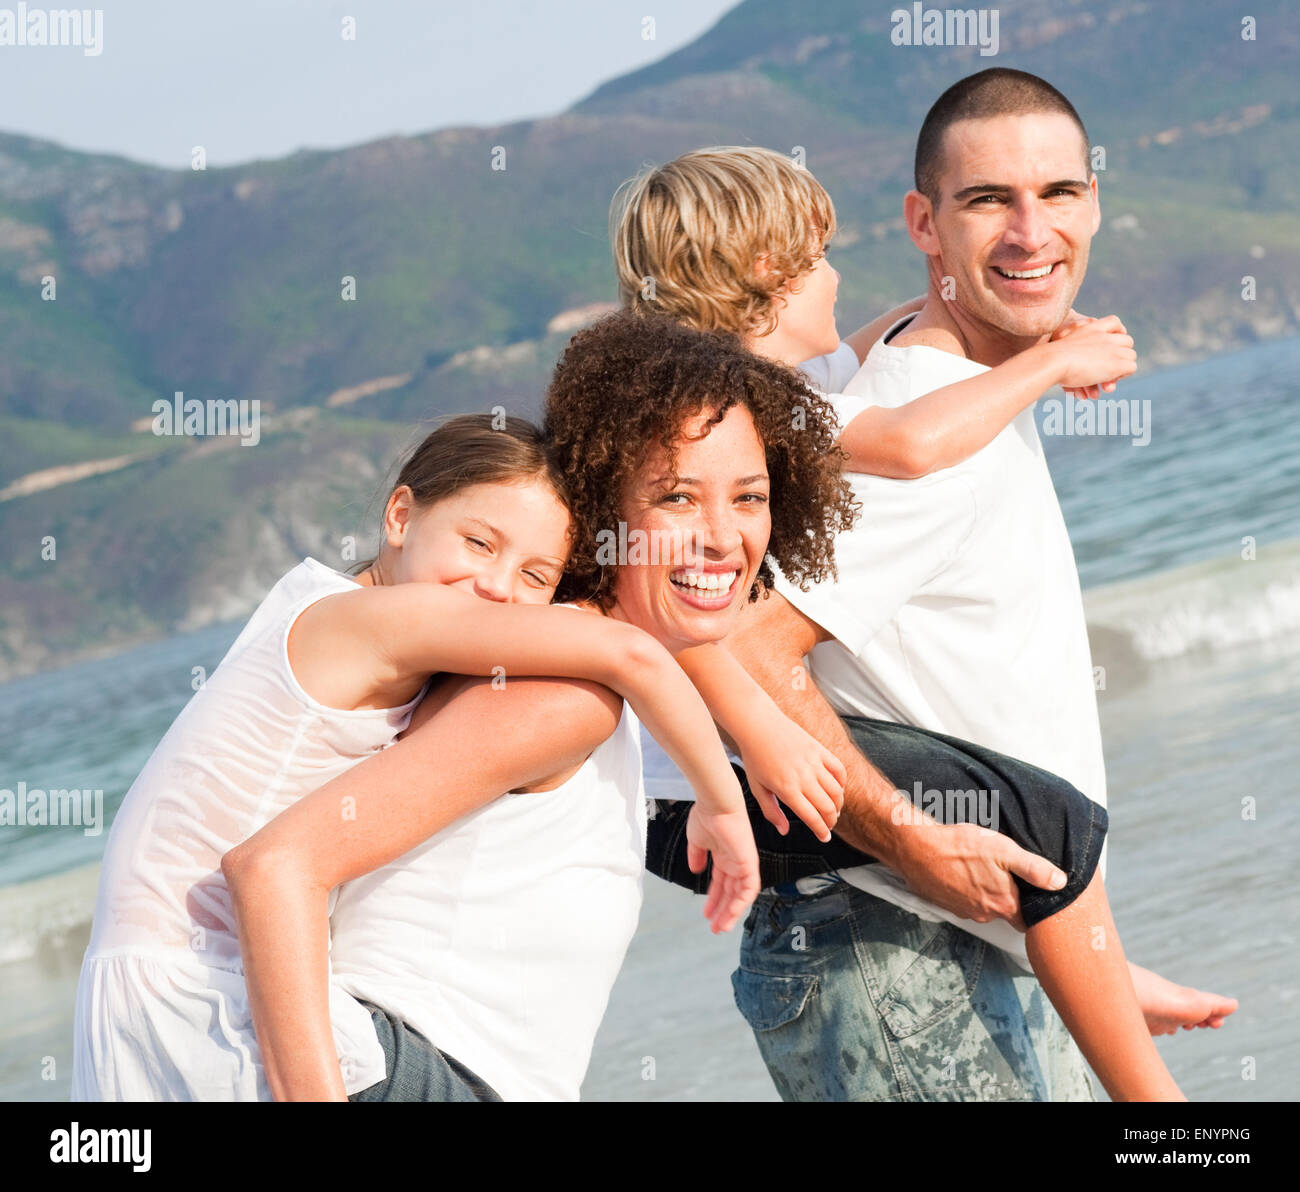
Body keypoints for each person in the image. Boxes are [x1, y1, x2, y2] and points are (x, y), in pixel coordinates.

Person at [612, 76, 1234, 1102]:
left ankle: (1108, 980)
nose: (1032, 230)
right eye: (989, 200)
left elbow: (877, 352)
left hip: (922, 929)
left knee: (1045, 832)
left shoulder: (809, 383)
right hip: (878, 936)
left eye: (1058, 194)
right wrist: (897, 826)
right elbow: (897, 458)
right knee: (1050, 828)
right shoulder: (780, 410)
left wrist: (1029, 326)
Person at [72, 409, 828, 1101]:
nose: (497, 588)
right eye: (478, 542)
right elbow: (629, 651)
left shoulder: (327, 614)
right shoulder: (378, 622)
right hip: (202, 1001)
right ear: (401, 515)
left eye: (536, 575)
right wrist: (721, 803)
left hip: (155, 1004)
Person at [218, 311, 858, 1101]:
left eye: (750, 497)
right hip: (416, 1071)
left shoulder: (572, 661)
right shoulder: (564, 694)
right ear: (600, 512)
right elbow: (278, 865)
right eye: (678, 499)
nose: (723, 538)